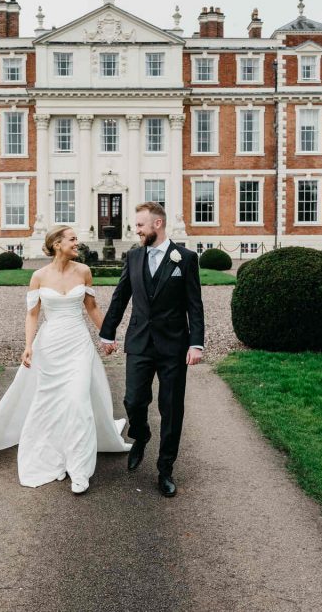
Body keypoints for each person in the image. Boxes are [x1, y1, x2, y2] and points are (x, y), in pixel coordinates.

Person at [0, 225, 131, 494]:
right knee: (48, 402)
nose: (77, 243)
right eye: (73, 239)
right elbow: (32, 314)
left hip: (78, 345)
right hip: (49, 346)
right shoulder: (38, 276)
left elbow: (92, 308)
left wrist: (107, 337)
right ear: (57, 244)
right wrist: (28, 346)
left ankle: (80, 470)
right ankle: (48, 452)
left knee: (77, 400)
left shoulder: (84, 271)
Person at [99, 202, 205, 498]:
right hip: (140, 343)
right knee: (133, 400)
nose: (137, 230)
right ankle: (141, 434)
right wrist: (108, 333)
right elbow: (120, 297)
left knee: (171, 409)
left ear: (157, 224)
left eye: (141, 225)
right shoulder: (133, 257)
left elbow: (194, 305)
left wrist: (196, 343)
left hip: (174, 346)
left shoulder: (184, 258)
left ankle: (165, 469)